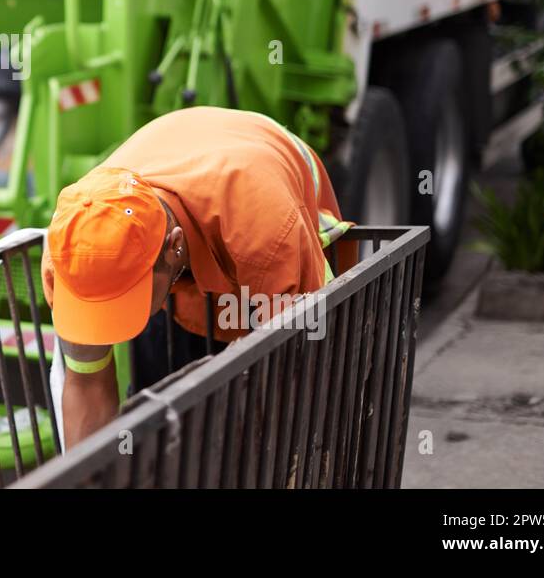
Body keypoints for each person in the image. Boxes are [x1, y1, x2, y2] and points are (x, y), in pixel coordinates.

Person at [42, 106, 354, 448]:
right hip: (194, 246)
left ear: (174, 246)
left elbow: (302, 372)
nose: (108, 318)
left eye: (127, 295)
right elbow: (86, 385)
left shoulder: (265, 231)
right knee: (163, 421)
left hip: (260, 216)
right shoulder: (73, 250)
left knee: (260, 415)